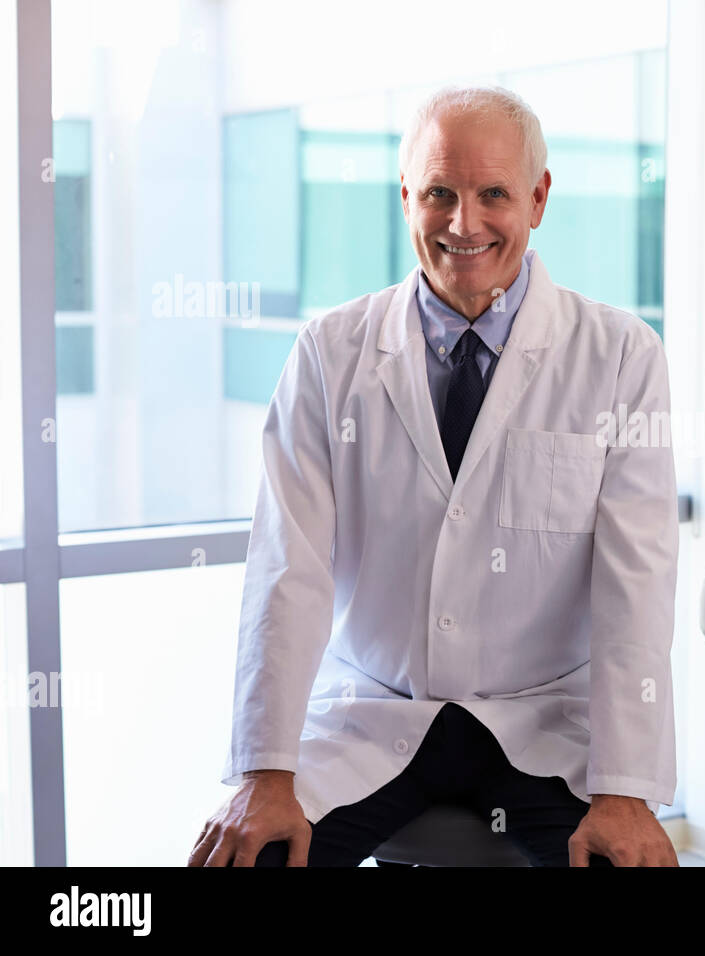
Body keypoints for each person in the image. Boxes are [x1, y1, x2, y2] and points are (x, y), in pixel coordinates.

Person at [187, 85, 679, 867]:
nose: (465, 222)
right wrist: (265, 771)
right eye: (441, 194)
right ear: (407, 196)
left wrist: (626, 791)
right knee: (250, 861)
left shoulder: (620, 357)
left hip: (543, 717)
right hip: (374, 713)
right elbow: (289, 570)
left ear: (539, 198)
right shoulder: (329, 352)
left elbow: (636, 586)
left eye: (494, 194)